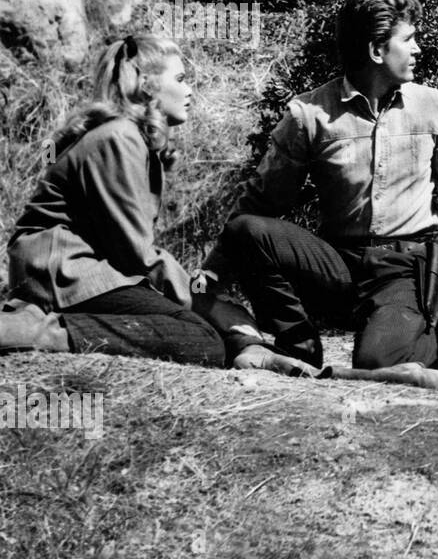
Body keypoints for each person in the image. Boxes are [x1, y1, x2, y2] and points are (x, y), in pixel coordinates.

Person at [196, 0, 438, 389]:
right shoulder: (309, 114)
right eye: (408, 39)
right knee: (248, 230)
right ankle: (299, 350)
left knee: (376, 364)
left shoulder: (432, 107)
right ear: (378, 50)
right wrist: (213, 272)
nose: (417, 49)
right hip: (339, 265)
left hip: (406, 266)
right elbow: (260, 201)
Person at [2, 34, 308, 373]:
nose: (190, 89)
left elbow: (133, 254)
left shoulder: (125, 136)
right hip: (60, 272)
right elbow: (138, 255)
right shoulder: (119, 137)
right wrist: (209, 302)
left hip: (78, 271)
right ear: (147, 86)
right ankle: (30, 331)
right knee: (199, 338)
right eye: (179, 79)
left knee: (199, 331)